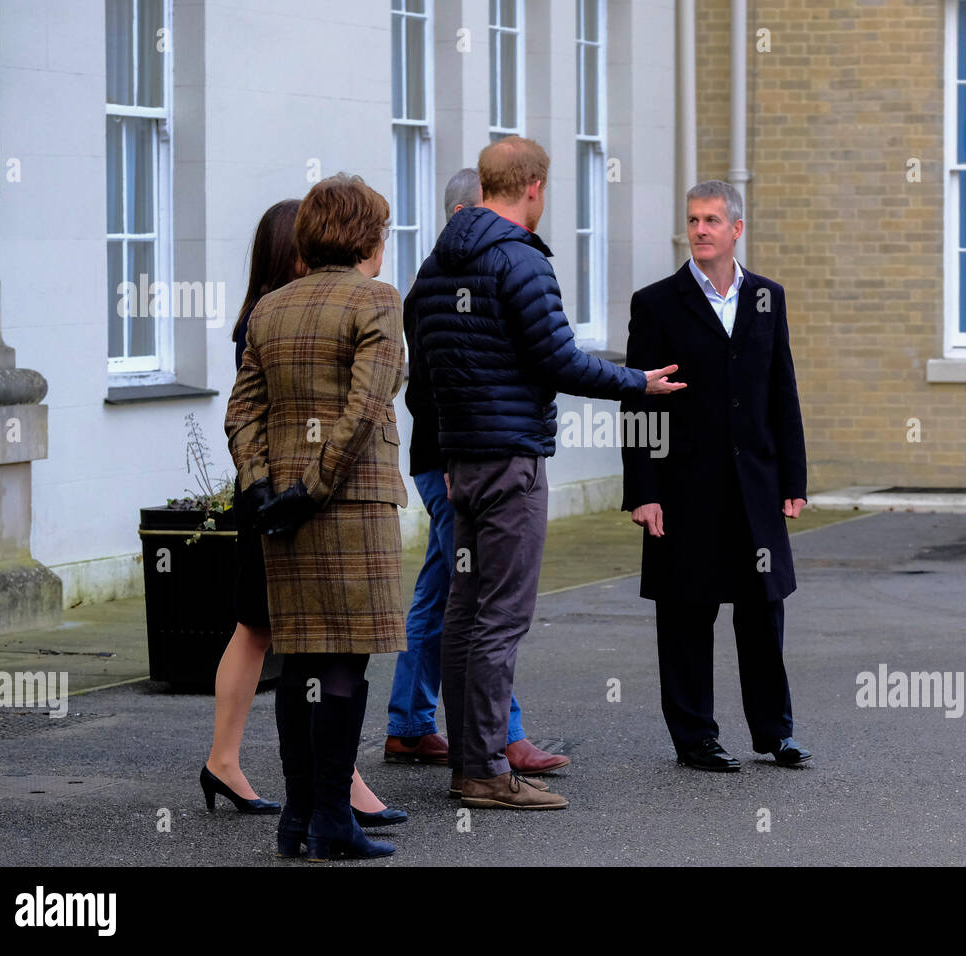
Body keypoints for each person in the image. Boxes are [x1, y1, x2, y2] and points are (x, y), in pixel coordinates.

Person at [406, 137, 683, 809]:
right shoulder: (518, 262)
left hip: (461, 467)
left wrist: (444, 455)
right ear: (532, 187)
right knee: (500, 618)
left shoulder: (436, 266)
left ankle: (471, 763)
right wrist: (637, 383)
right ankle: (486, 773)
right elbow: (559, 360)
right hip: (509, 465)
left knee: (466, 613)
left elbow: (429, 373)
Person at [204, 199, 405, 830]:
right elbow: (366, 410)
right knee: (344, 660)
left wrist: (265, 488)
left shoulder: (269, 307)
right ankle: (333, 823)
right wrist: (312, 490)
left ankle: (299, 821)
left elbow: (241, 414)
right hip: (346, 506)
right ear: (365, 237)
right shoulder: (375, 299)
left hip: (283, 510)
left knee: (296, 660)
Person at [620, 180, 812, 772]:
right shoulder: (655, 303)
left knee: (762, 609)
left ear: (736, 229)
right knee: (685, 611)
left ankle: (774, 732)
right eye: (692, 220)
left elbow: (782, 389)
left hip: (754, 483)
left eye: (710, 220)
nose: (699, 229)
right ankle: (695, 737)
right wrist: (643, 492)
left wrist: (793, 478)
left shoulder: (766, 299)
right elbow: (639, 406)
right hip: (684, 488)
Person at [384, 168, 568, 776]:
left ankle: (413, 722)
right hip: (458, 461)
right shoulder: (476, 271)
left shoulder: (430, 279)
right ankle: (496, 738)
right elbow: (439, 389)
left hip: (448, 459)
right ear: (472, 211)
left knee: (448, 589)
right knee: (485, 601)